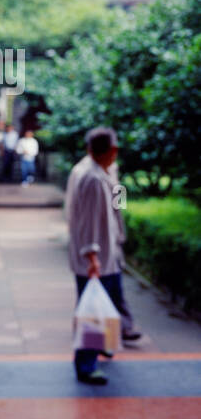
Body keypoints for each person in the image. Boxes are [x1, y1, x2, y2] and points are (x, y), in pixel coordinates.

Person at [68, 126, 131, 384]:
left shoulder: (97, 172)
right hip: (96, 258)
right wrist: (92, 257)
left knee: (105, 304)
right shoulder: (93, 178)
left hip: (106, 256)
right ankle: (86, 364)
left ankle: (101, 346)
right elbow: (90, 222)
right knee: (92, 312)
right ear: (112, 150)